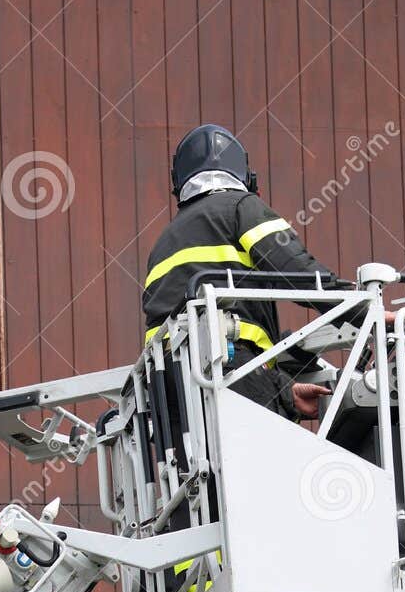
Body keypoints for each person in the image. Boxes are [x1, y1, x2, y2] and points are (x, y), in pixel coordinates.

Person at [143, 123, 337, 419]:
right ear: (248, 178)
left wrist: (283, 390)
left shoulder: (162, 243)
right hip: (228, 365)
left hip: (168, 390)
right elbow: (296, 272)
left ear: (178, 184)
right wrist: (360, 310)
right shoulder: (240, 207)